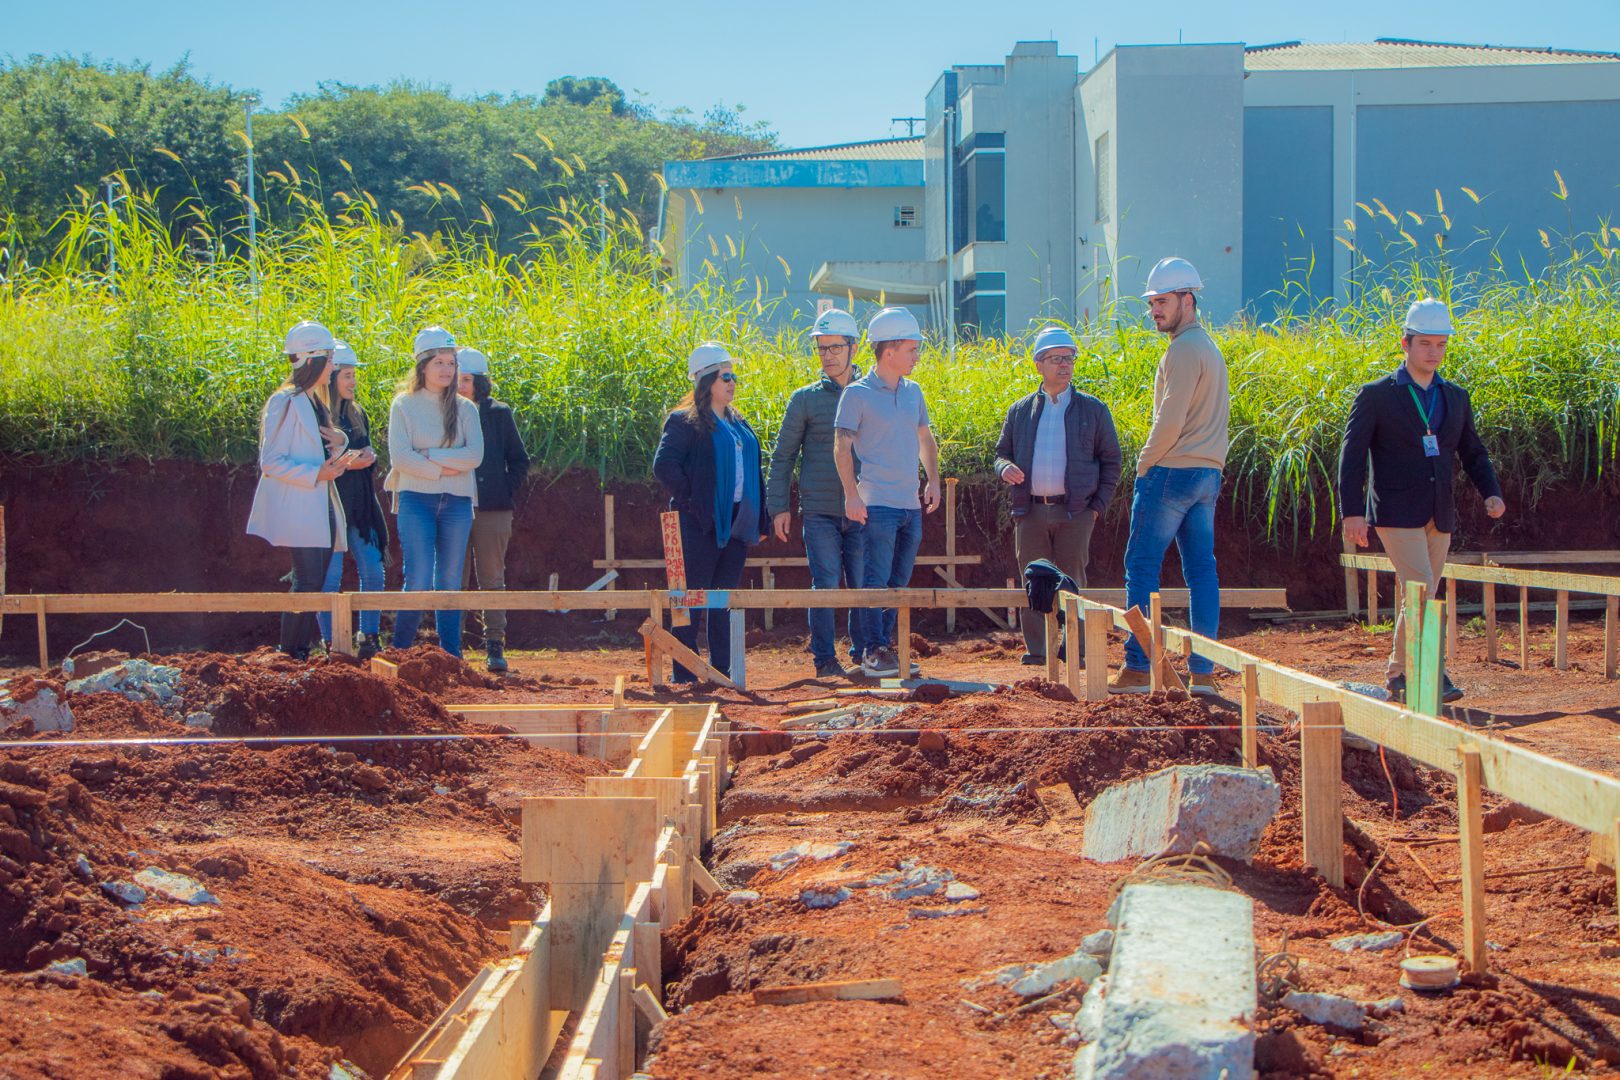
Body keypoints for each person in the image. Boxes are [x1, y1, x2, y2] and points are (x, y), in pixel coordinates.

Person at [1338, 297, 1506, 703]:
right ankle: (1431, 671)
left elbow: (1473, 451)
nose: (1434, 352)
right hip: (1395, 511)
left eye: (1441, 344)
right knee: (1422, 587)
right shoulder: (1377, 395)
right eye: (1426, 343)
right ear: (1406, 344)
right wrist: (1352, 513)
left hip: (1438, 511)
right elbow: (1352, 455)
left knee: (1419, 594)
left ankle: (1399, 675)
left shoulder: (1455, 396)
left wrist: (1491, 491)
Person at [1112, 257, 1229, 696]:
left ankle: (1138, 667)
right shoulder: (1210, 348)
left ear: (1188, 299)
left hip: (1171, 471)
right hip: (1207, 475)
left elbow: (1170, 419)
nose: (1154, 310)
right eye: (1151, 303)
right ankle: (1203, 674)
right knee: (1201, 571)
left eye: (1162, 301)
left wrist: (1144, 464)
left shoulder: (1181, 350)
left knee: (1141, 567)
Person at [995, 325, 1123, 665]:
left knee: (1073, 581)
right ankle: (1039, 650)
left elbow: (1112, 461)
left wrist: (1096, 507)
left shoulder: (1093, 410)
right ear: (1039, 364)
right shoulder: (1020, 411)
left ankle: (1075, 649)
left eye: (1069, 358)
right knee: (1034, 579)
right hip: (1030, 511)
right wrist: (1004, 468)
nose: (1065, 365)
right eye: (1056, 359)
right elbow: (1001, 454)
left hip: (1076, 512)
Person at [652, 342, 770, 683]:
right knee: (689, 598)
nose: (732, 383)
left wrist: (759, 517)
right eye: (725, 377)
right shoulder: (684, 421)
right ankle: (685, 672)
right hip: (697, 524)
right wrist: (696, 502)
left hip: (736, 522)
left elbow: (753, 471)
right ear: (706, 381)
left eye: (733, 376)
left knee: (723, 599)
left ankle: (722, 671)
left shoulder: (737, 421)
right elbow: (665, 466)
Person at [834, 306, 940, 679]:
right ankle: (872, 650)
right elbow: (841, 446)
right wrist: (851, 495)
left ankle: (883, 649)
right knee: (875, 580)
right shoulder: (857, 394)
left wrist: (933, 479)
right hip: (876, 505)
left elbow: (925, 438)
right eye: (912, 349)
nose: (917, 356)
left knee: (898, 583)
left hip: (910, 506)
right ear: (890, 351)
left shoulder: (914, 392)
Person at [246, 320, 360, 659]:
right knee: (307, 579)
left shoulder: (314, 401)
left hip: (320, 501)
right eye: (329, 359)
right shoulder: (285, 401)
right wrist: (316, 473)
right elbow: (271, 461)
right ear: (312, 359)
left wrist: (341, 443)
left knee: (315, 579)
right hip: (303, 504)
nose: (333, 366)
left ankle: (298, 649)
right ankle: (290, 651)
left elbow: (320, 453)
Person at [767, 308, 868, 679]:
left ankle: (865, 655)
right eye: (822, 348)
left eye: (834, 347)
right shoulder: (804, 400)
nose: (827, 355)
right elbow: (783, 456)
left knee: (863, 584)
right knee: (825, 584)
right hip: (820, 511)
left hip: (864, 510)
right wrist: (779, 507)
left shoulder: (872, 394)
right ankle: (824, 660)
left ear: (853, 347)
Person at [384, 326, 484, 658]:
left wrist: (428, 456)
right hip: (416, 500)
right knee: (418, 578)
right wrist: (444, 469)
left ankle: (451, 656)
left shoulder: (466, 408)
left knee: (450, 581)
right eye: (439, 362)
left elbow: (475, 456)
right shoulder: (403, 405)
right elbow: (400, 457)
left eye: (451, 363)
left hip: (457, 502)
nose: (446, 369)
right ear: (422, 365)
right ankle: (400, 651)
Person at [457, 346, 531, 673]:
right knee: (453, 579)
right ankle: (452, 645)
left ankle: (495, 644)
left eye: (466, 379)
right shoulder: (445, 412)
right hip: (454, 507)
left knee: (491, 578)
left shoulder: (499, 413)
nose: (460, 385)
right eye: (457, 379)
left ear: (480, 382)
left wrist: (501, 488)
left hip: (493, 509)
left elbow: (519, 460)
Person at [315, 340, 390, 660]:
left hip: (361, 508)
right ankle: (332, 643)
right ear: (332, 378)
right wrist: (354, 459)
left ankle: (368, 636)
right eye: (347, 375)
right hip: (330, 508)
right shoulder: (318, 416)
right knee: (329, 578)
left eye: (354, 375)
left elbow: (367, 456)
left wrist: (363, 457)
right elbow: (326, 461)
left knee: (373, 570)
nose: (353, 382)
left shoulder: (358, 414)